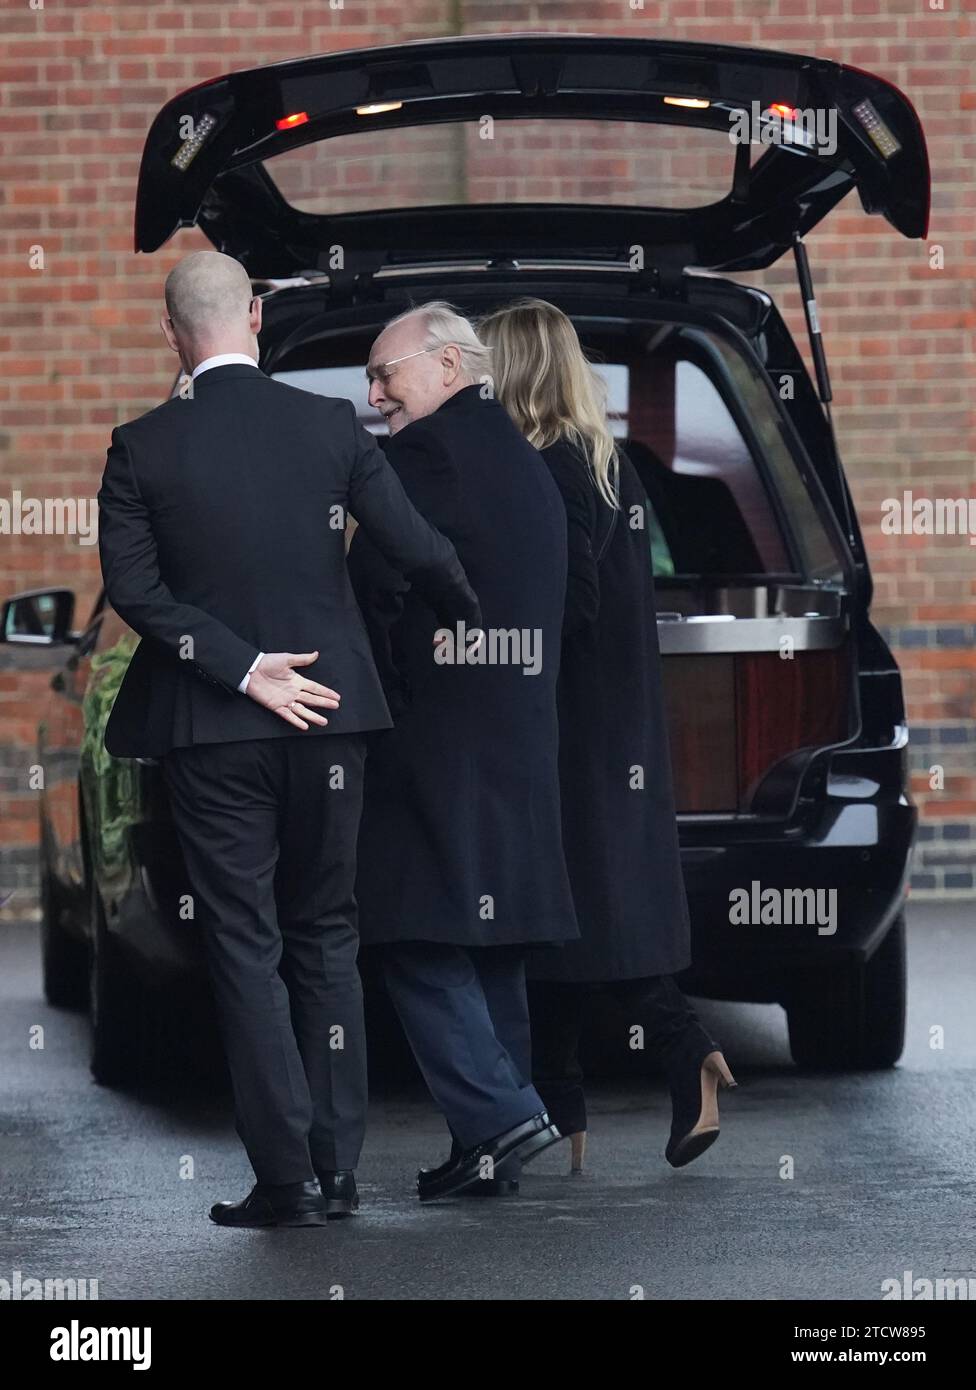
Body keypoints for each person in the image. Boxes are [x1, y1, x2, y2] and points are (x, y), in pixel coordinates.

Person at [97, 252, 481, 1228]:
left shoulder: (141, 446)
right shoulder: (327, 426)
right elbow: (413, 545)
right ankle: (339, 1167)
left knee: (245, 945)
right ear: (258, 317)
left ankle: (286, 1180)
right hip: (332, 721)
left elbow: (140, 597)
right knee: (326, 937)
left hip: (214, 726)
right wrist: (468, 607)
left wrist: (237, 664)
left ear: (170, 332)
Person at [478, 298, 736, 1173]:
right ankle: (566, 1114)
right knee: (559, 919)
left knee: (576, 917)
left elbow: (572, 600)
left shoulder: (544, 463)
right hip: (613, 720)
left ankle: (681, 1046)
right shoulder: (605, 460)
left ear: (513, 370)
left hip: (568, 723)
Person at [347, 302, 577, 1201]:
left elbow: (373, 586)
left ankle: (495, 1115)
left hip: (437, 734)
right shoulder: (524, 457)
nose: (374, 396)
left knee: (405, 926)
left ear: (446, 366)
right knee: (492, 940)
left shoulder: (423, 455)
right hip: (516, 730)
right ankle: (490, 1150)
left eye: (385, 375)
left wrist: (379, 699)